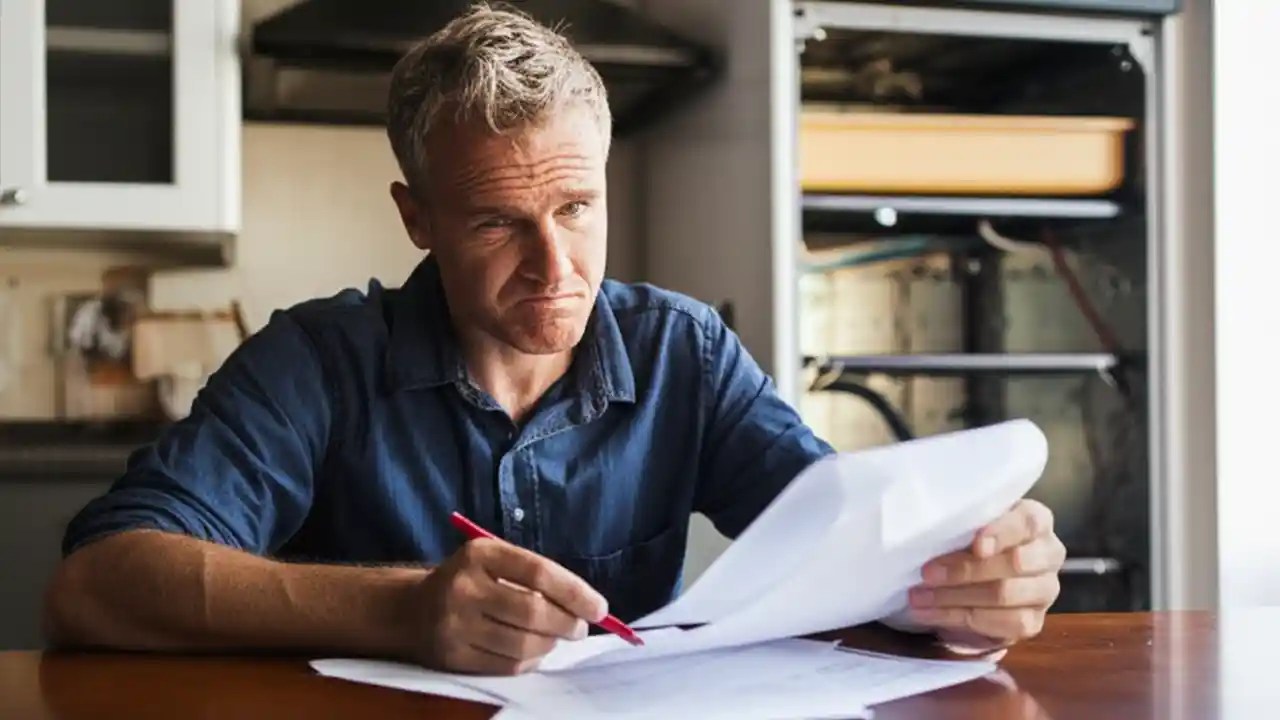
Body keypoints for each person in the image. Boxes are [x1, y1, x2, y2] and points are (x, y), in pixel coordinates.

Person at [42, 5, 1065, 675]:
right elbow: (97, 583)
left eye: (575, 207)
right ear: (418, 218)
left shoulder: (683, 353)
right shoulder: (314, 365)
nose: (554, 265)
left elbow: (837, 544)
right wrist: (403, 611)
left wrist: (957, 590)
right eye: (496, 222)